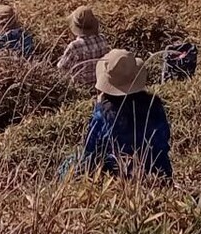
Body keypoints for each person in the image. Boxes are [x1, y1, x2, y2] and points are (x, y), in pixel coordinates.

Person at [71, 48, 172, 180]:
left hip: (115, 177)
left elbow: (90, 149)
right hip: (157, 173)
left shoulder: (103, 114)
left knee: (71, 161)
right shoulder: (155, 106)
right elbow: (164, 140)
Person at [56, 5, 110, 87]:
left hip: (81, 88)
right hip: (100, 85)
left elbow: (61, 67)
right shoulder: (102, 39)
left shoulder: (75, 46)